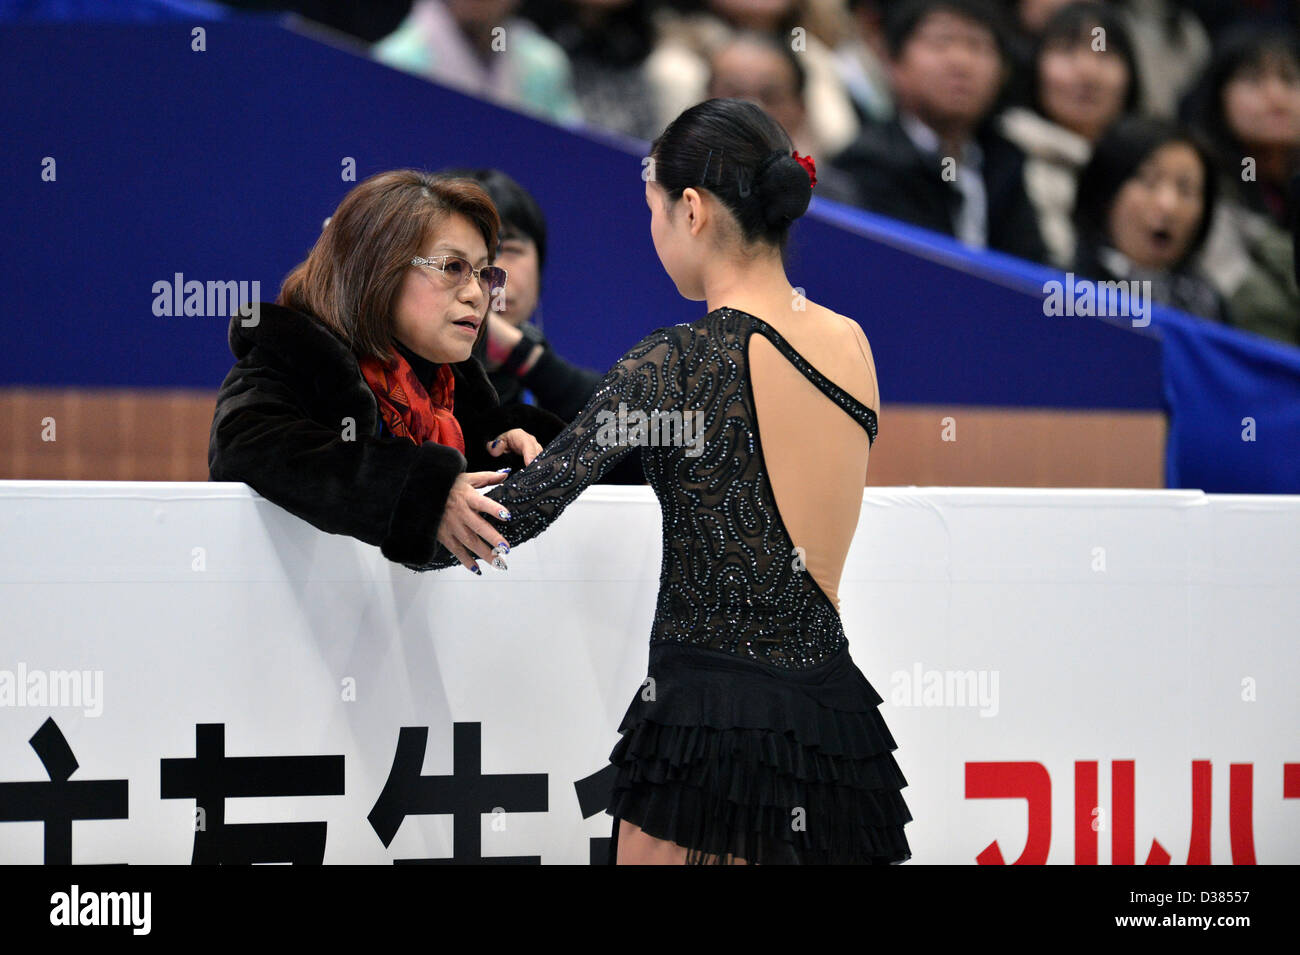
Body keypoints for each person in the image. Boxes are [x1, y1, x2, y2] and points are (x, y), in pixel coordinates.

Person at [413, 98, 914, 865]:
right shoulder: (852, 342)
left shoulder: (680, 360)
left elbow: (521, 511)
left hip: (706, 731)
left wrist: (397, 497)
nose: (651, 234)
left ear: (691, 209)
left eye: (651, 211)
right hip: (835, 727)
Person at [208, 170, 566, 570]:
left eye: (484, 273)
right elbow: (246, 444)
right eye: (452, 267)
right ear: (378, 269)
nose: (475, 293)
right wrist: (423, 492)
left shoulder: (456, 389)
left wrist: (509, 453)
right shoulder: (295, 354)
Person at [438, 166, 648, 484]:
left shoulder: (540, 371)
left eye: (509, 250)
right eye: (465, 259)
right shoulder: (409, 373)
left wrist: (526, 358)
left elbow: (641, 441)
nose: (494, 271)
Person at [831, 0, 1050, 264]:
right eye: (940, 42)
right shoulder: (866, 163)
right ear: (893, 62)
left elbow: (1032, 269)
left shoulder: (1006, 161)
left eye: (978, 45)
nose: (961, 62)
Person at [1180, 27, 1300, 346]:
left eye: (1289, 80)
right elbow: (1249, 307)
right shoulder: (1201, 179)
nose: (1276, 97)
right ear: (1218, 95)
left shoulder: (1288, 182)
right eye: (1254, 81)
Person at [998, 1, 1141, 267]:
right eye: (1067, 51)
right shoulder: (1000, 157)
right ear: (1035, 65)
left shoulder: (1145, 175)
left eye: (1105, 54)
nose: (1088, 72)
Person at [1072, 117, 1226, 322]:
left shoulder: (1209, 306)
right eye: (1149, 182)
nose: (1168, 205)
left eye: (1186, 190)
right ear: (1106, 192)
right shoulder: (1064, 285)